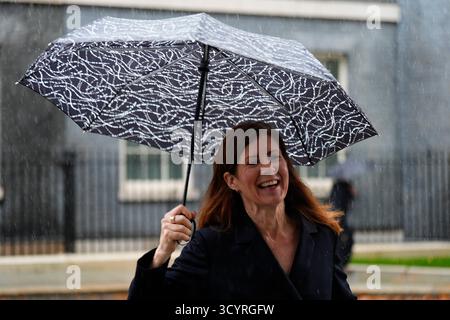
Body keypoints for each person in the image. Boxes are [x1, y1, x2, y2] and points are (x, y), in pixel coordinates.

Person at [128, 121, 355, 300]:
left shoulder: (322, 235)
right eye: (253, 162)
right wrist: (162, 253)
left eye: (273, 157)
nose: (268, 169)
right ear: (231, 180)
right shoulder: (211, 246)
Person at [329, 179, 356, 267]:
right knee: (344, 240)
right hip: (339, 220)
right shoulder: (341, 189)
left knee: (344, 240)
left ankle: (341, 263)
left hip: (338, 219)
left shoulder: (339, 188)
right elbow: (338, 207)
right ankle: (341, 263)